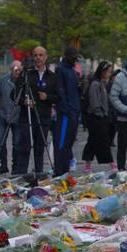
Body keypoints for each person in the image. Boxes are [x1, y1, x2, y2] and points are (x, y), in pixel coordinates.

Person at [16, 46, 59, 176]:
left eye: (41, 55)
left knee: (40, 148)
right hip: (27, 117)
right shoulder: (26, 74)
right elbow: (15, 94)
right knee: (24, 147)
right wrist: (24, 101)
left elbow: (58, 97)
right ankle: (22, 175)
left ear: (45, 57)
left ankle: (39, 174)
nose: (38, 58)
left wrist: (47, 97)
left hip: (43, 117)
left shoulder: (52, 77)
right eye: (35, 55)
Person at [82, 61, 115, 172]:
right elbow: (95, 102)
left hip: (99, 116)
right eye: (108, 72)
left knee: (93, 140)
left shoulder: (100, 83)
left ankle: (88, 164)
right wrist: (102, 114)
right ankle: (112, 164)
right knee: (103, 140)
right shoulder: (95, 84)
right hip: (96, 117)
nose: (109, 74)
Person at [53, 46, 81, 177]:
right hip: (65, 113)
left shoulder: (72, 71)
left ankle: (65, 169)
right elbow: (61, 92)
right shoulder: (61, 70)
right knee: (62, 143)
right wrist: (67, 109)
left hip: (74, 111)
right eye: (73, 58)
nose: (75, 60)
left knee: (69, 142)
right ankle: (60, 171)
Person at [0, 60, 22, 174]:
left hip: (18, 115)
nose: (16, 72)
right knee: (0, 139)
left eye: (18, 69)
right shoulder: (4, 80)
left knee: (17, 142)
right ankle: (3, 164)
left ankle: (15, 166)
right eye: (14, 69)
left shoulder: (23, 81)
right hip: (4, 114)